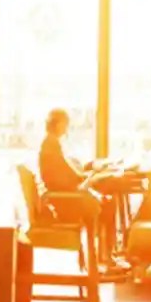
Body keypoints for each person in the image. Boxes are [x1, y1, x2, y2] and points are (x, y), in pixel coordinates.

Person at [38, 109, 132, 277]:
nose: (67, 127)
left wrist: (90, 174)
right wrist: (91, 176)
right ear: (58, 124)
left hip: (64, 197)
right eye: (65, 123)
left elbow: (69, 173)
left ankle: (104, 258)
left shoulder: (50, 144)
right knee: (108, 204)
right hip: (66, 201)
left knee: (105, 199)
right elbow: (69, 177)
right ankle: (105, 260)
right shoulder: (51, 146)